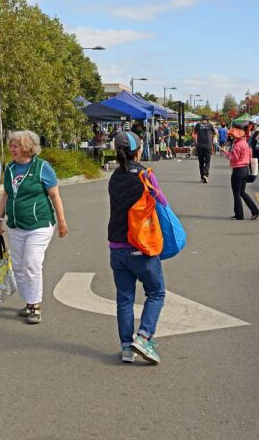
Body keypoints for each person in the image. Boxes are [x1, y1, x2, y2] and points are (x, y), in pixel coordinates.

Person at [0, 130, 67, 325]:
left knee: (31, 263)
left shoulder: (42, 167)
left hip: (39, 224)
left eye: (15, 146)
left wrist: (61, 221)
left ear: (27, 147)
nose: (11, 149)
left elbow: (54, 195)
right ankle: (29, 301)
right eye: (11, 145)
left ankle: (35, 305)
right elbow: (5, 195)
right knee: (18, 267)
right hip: (16, 226)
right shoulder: (10, 168)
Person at [107, 131, 167, 364]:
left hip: (116, 246)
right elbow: (162, 202)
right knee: (156, 292)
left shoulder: (113, 177)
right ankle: (143, 337)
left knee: (124, 298)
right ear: (138, 150)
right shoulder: (144, 175)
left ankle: (126, 348)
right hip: (140, 246)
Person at [225, 128, 259, 220]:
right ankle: (254, 211)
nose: (232, 137)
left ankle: (239, 214)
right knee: (242, 192)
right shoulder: (245, 143)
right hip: (245, 169)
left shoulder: (238, 145)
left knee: (236, 193)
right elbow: (249, 156)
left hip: (238, 170)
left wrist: (227, 154)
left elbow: (234, 158)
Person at [194, 116, 216, 183]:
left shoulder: (198, 125)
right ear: (207, 120)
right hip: (208, 146)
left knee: (201, 162)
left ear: (201, 120)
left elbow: (194, 133)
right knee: (207, 161)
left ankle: (202, 176)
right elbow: (214, 133)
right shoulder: (210, 125)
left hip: (200, 146)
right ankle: (205, 175)